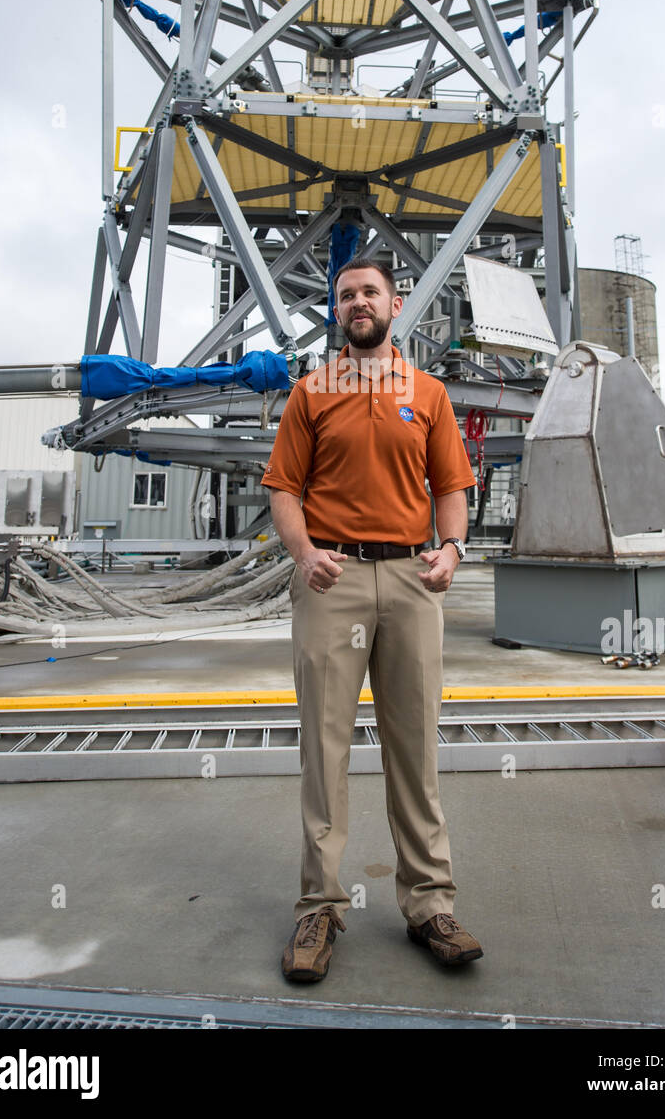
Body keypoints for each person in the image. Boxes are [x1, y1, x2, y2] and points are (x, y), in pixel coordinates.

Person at [260, 257, 483, 983]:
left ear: (395, 303)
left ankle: (429, 905)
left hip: (413, 579)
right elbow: (284, 491)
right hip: (335, 580)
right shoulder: (310, 394)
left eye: (370, 293)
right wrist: (302, 553)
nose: (358, 303)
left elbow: (451, 486)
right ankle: (319, 905)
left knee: (415, 748)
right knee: (324, 749)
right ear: (337, 311)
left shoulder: (429, 394)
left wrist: (451, 548)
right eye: (346, 295)